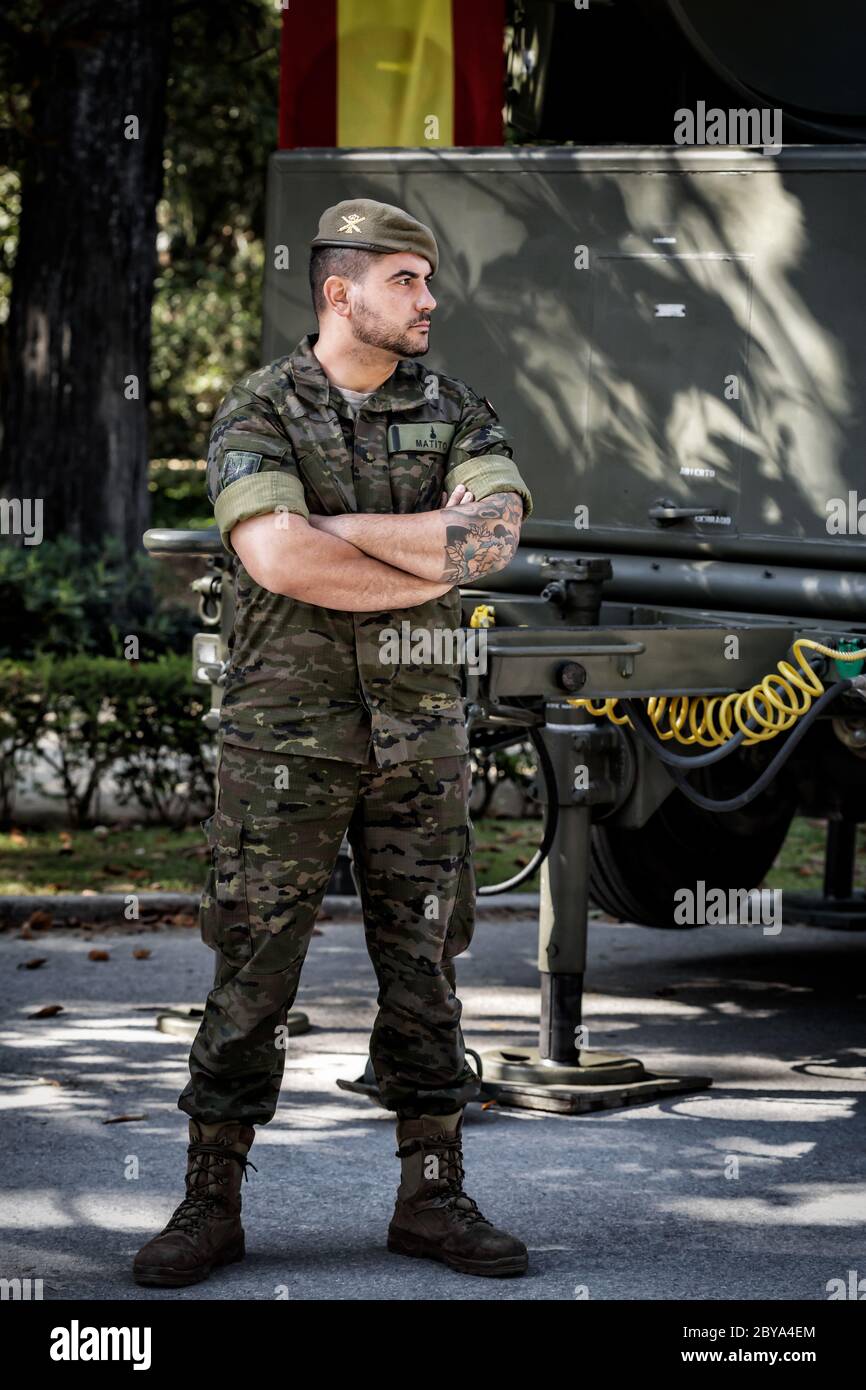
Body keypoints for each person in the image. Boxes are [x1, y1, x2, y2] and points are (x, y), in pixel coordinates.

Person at [133, 198, 534, 1287]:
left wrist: (344, 528)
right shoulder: (258, 409)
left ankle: (433, 1194)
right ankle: (209, 1198)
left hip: (420, 740)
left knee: (427, 972)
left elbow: (491, 536)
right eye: (406, 279)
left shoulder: (455, 409)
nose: (429, 301)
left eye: (429, 281)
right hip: (283, 744)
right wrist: (422, 557)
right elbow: (277, 562)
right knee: (251, 973)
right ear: (337, 289)